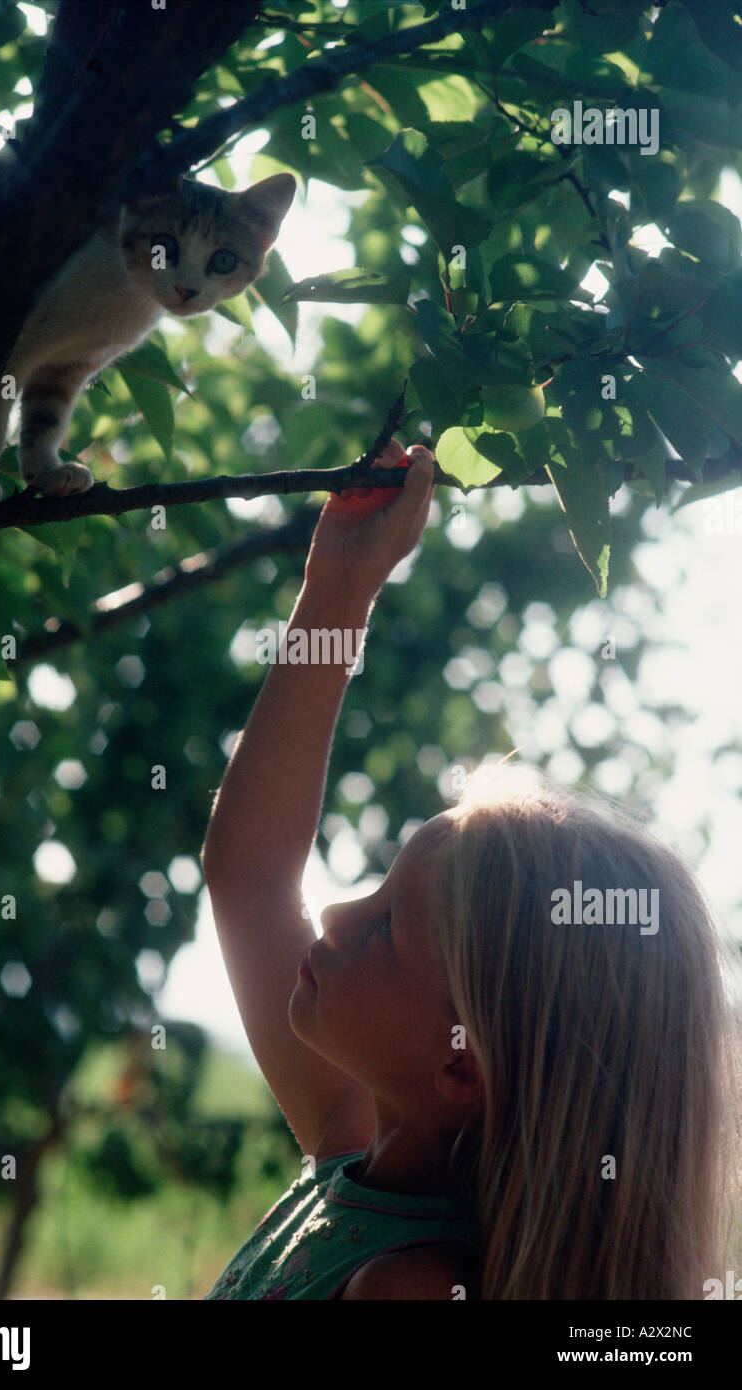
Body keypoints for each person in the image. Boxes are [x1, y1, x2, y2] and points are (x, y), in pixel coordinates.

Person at [200, 439, 741, 1299]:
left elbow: (253, 881)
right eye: (377, 889)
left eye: (386, 930)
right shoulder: (351, 1150)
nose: (335, 915)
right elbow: (252, 876)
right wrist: (339, 590)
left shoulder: (405, 1287)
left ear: (462, 1066)